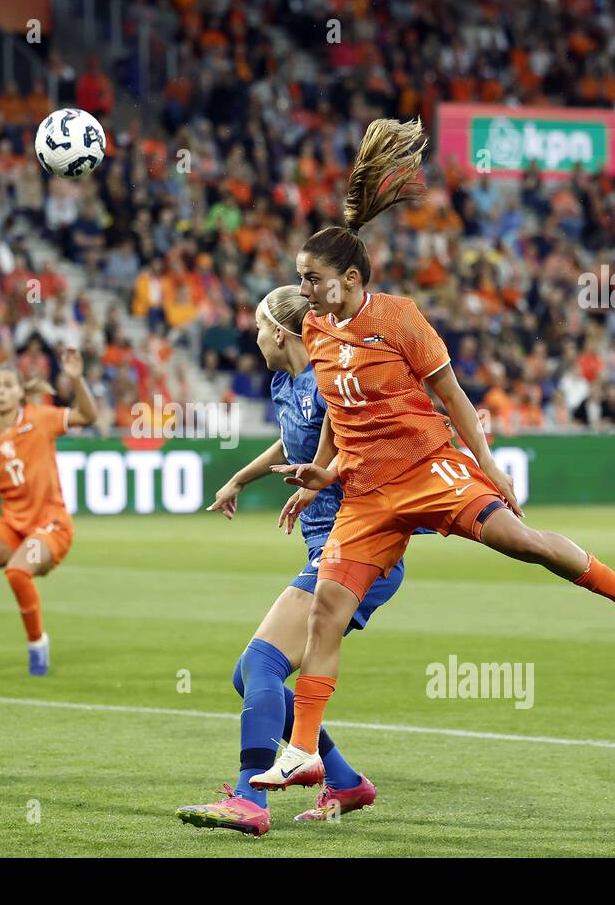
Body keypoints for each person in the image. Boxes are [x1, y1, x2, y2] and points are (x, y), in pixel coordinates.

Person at [253, 119, 615, 791]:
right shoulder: (312, 329)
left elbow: (454, 399)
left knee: (525, 543)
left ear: (346, 276)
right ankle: (304, 750)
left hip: (432, 469)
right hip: (367, 494)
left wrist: (488, 466)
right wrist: (325, 472)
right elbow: (340, 415)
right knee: (325, 611)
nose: (302, 289)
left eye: (311, 278)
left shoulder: (399, 318)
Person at [176, 286, 428, 836]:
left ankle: (249, 799)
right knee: (251, 677)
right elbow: (293, 443)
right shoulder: (285, 381)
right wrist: (240, 478)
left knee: (260, 664)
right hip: (331, 551)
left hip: (360, 548)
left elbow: (352, 443)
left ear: (284, 334)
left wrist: (323, 478)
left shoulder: (330, 379)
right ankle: (344, 781)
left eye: (260, 326)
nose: (255, 335)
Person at [0, 348, 97, 676]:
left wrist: (75, 378)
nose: (0, 391)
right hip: (13, 523)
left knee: (17, 572)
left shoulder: (40, 418)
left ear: (19, 392)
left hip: (50, 524)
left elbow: (89, 416)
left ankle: (37, 643)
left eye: (6, 385)